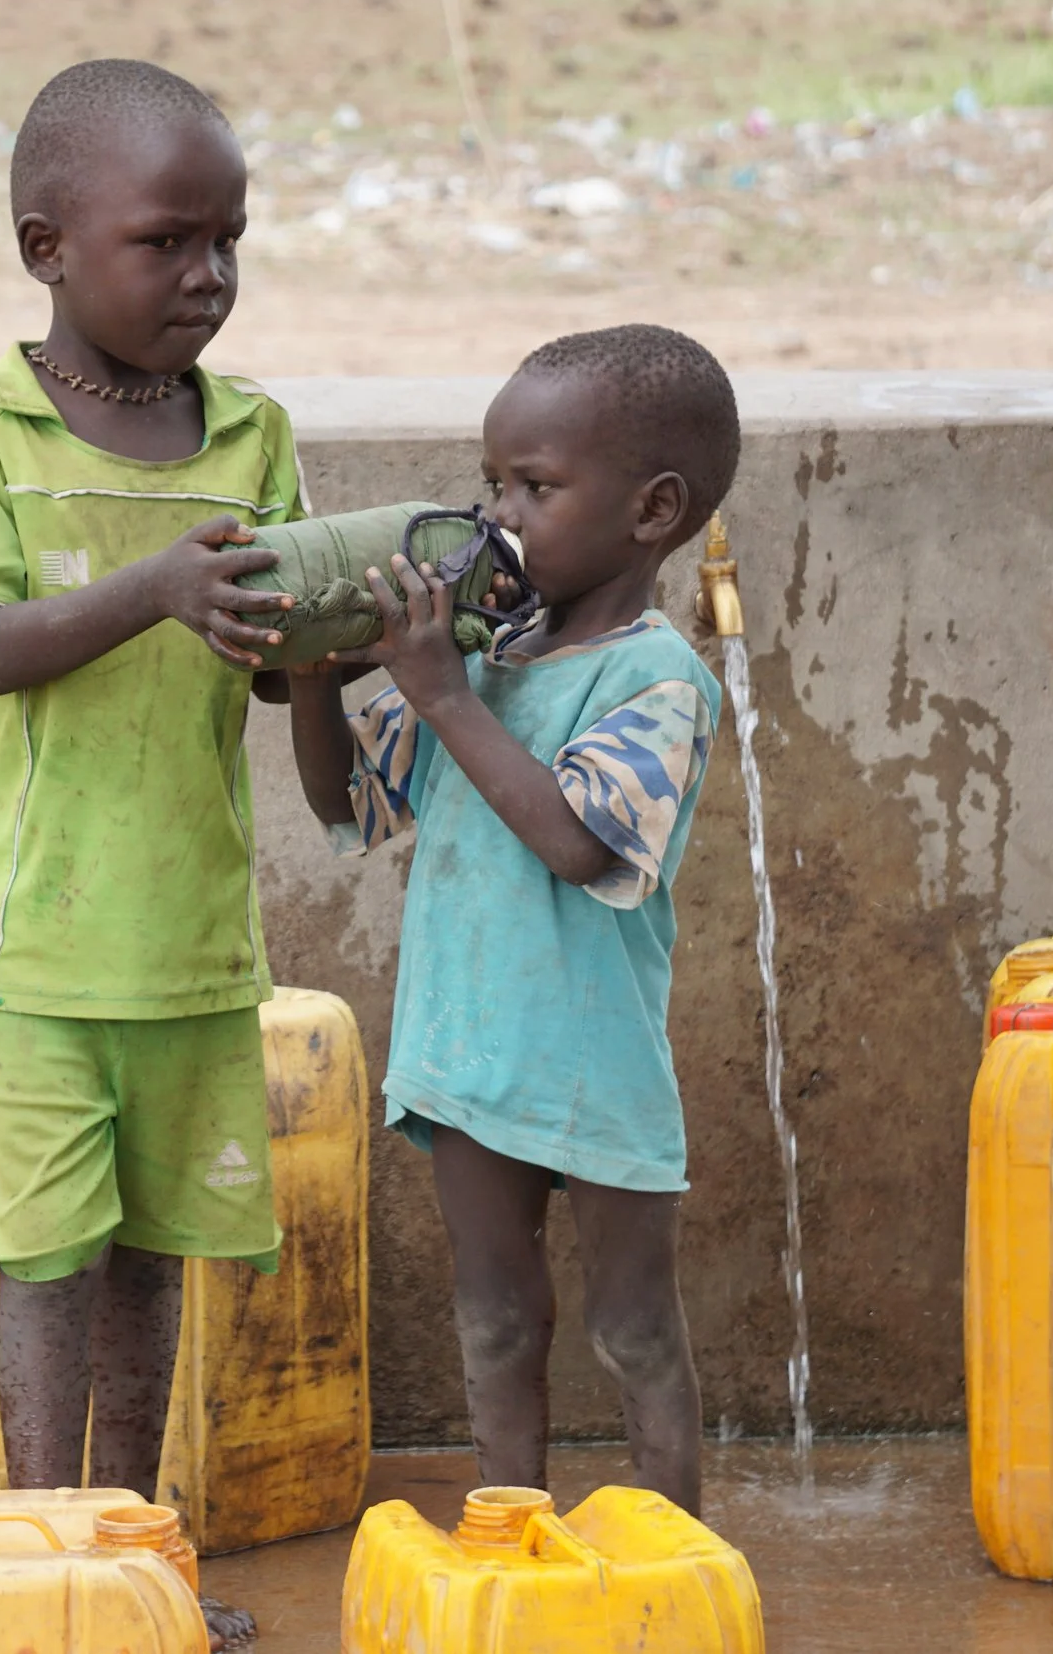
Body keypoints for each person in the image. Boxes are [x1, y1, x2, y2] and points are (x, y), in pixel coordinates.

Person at [0, 57, 299, 1646]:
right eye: (166, 242)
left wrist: (344, 622)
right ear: (46, 246)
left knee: (153, 1262)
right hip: (45, 950)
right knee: (50, 1264)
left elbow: (282, 657)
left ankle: (130, 1558)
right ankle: (32, 1562)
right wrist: (151, 587)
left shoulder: (257, 429)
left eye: (231, 241)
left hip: (196, 943)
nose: (206, 276)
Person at [288, 324, 738, 1512]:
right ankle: (509, 1539)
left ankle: (673, 1557)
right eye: (492, 482)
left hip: (593, 1068)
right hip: (468, 1054)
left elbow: (578, 840)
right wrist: (309, 678)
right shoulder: (481, 657)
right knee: (494, 1318)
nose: (499, 514)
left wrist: (439, 690)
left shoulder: (655, 681)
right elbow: (344, 799)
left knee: (633, 1327)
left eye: (534, 487)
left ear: (651, 511)